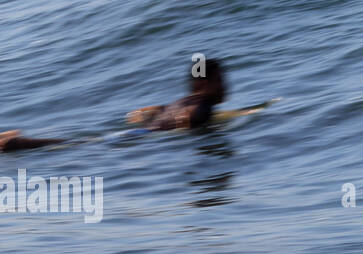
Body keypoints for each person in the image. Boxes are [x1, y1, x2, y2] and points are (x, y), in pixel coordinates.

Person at [1, 60, 227, 152]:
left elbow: (144, 113)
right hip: (136, 137)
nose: (225, 86)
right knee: (72, 146)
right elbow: (194, 117)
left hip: (135, 132)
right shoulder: (202, 106)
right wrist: (192, 124)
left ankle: (12, 141)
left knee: (75, 143)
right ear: (205, 84)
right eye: (221, 80)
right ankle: (13, 143)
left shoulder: (183, 101)